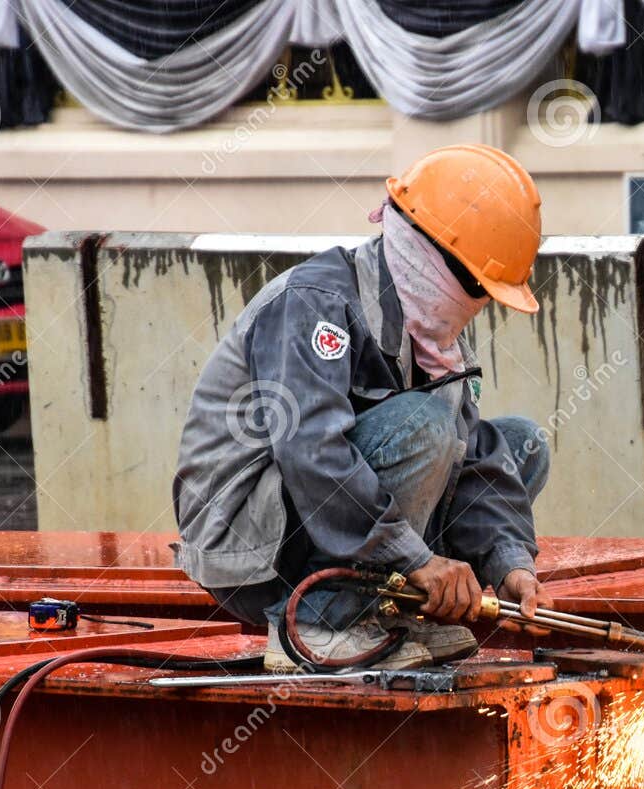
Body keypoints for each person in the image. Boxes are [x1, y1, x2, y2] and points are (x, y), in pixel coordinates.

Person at [172, 144, 553, 671]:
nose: (476, 302)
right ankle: (321, 620)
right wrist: (419, 561)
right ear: (429, 253)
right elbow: (312, 451)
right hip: (250, 546)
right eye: (474, 284)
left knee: (518, 443)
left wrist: (511, 563)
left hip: (331, 530)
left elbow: (474, 461)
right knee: (425, 427)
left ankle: (394, 611)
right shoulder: (314, 304)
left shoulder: (433, 339)